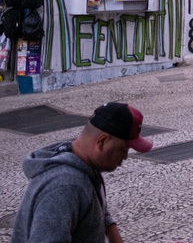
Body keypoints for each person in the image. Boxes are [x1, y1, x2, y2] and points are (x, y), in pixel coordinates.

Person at [11, 102, 153, 243]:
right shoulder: (64, 187)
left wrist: (111, 230)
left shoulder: (86, 164)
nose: (125, 157)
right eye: (123, 150)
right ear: (102, 141)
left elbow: (97, 207)